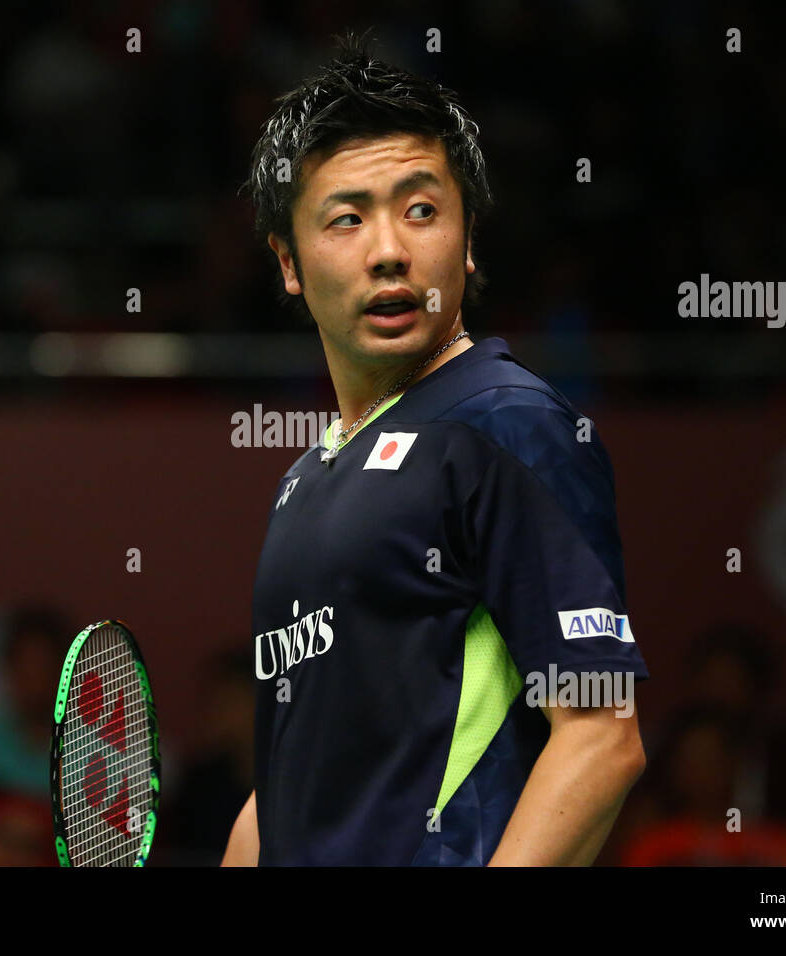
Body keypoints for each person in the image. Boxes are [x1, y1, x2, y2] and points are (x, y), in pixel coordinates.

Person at [224, 33, 647, 866]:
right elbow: (290, 787)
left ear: (469, 238)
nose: (390, 251)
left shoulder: (503, 422)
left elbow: (601, 732)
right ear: (289, 263)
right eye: (346, 219)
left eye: (421, 209)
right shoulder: (306, 478)